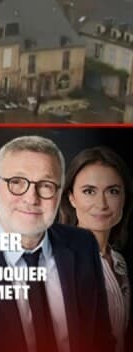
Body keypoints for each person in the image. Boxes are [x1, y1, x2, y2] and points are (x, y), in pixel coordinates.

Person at [0, 135, 115, 352]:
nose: (31, 198)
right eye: (17, 182)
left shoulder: (83, 245)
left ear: (59, 194)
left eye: (46, 185)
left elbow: (102, 339)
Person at [60, 147, 132, 352]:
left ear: (124, 198)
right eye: (89, 191)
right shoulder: (57, 264)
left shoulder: (118, 262)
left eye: (113, 191)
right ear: (72, 197)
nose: (101, 204)